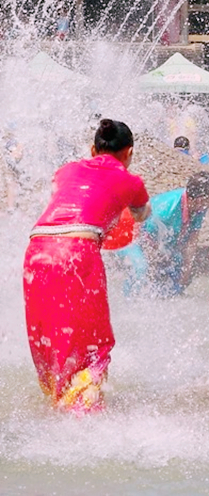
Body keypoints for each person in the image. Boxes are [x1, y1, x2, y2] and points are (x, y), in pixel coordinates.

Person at [23, 119, 151, 412]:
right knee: (93, 339)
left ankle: (61, 401)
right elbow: (141, 213)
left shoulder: (66, 170)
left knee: (51, 336)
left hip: (36, 251)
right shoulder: (131, 181)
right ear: (129, 152)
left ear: (93, 149)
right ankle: (84, 415)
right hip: (76, 252)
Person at [115, 171, 209, 297]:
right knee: (141, 269)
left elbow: (192, 239)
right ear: (200, 198)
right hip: (129, 237)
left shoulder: (199, 208)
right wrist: (155, 263)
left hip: (158, 243)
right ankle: (128, 302)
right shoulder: (166, 210)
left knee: (179, 268)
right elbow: (144, 238)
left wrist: (187, 267)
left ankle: (168, 301)